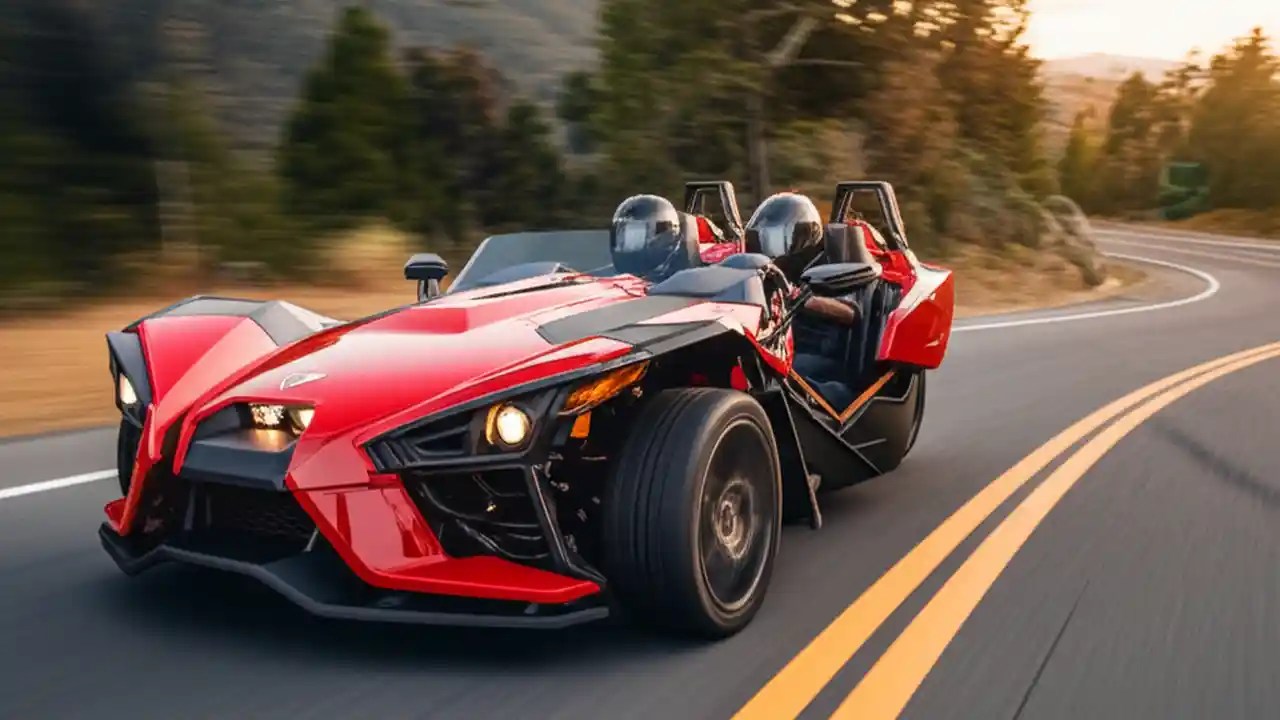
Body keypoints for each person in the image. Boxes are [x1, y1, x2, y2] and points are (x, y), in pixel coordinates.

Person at [745, 191, 861, 409]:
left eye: (779, 238)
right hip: (775, 345)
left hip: (814, 349)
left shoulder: (828, 266)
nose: (770, 247)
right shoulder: (764, 270)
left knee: (779, 377)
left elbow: (852, 312)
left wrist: (803, 298)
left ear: (804, 236)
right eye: (764, 237)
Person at [609, 194, 697, 281]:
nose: (628, 244)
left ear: (665, 237)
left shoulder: (688, 284)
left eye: (638, 235)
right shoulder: (608, 278)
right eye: (624, 237)